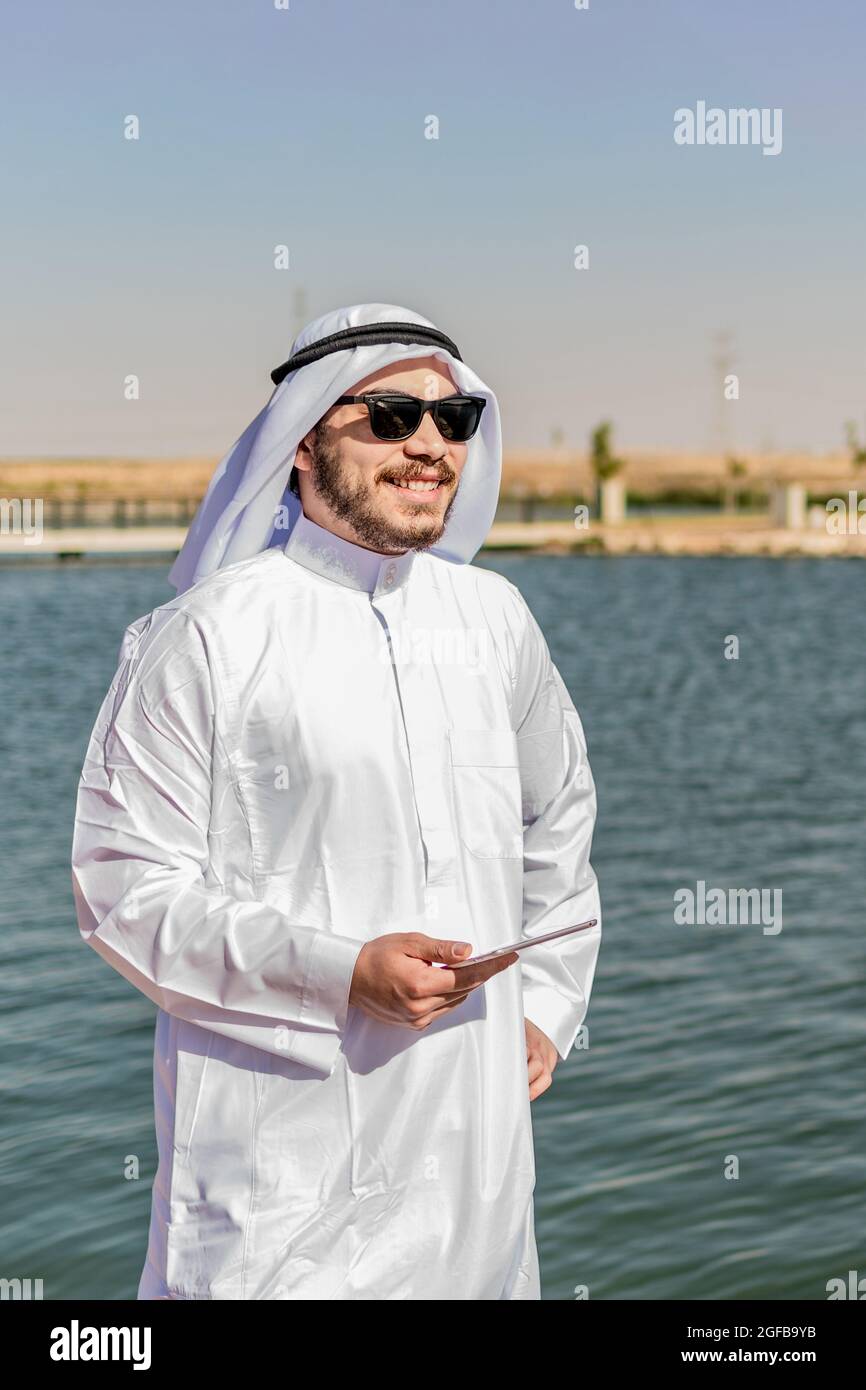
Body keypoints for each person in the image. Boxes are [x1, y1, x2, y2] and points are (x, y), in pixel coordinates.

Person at [71, 302, 602, 1300]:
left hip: (474, 1173)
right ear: (306, 442)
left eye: (455, 421)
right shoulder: (206, 636)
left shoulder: (492, 618)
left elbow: (558, 816)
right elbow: (121, 889)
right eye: (392, 417)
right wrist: (339, 971)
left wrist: (546, 1002)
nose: (429, 446)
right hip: (281, 1181)